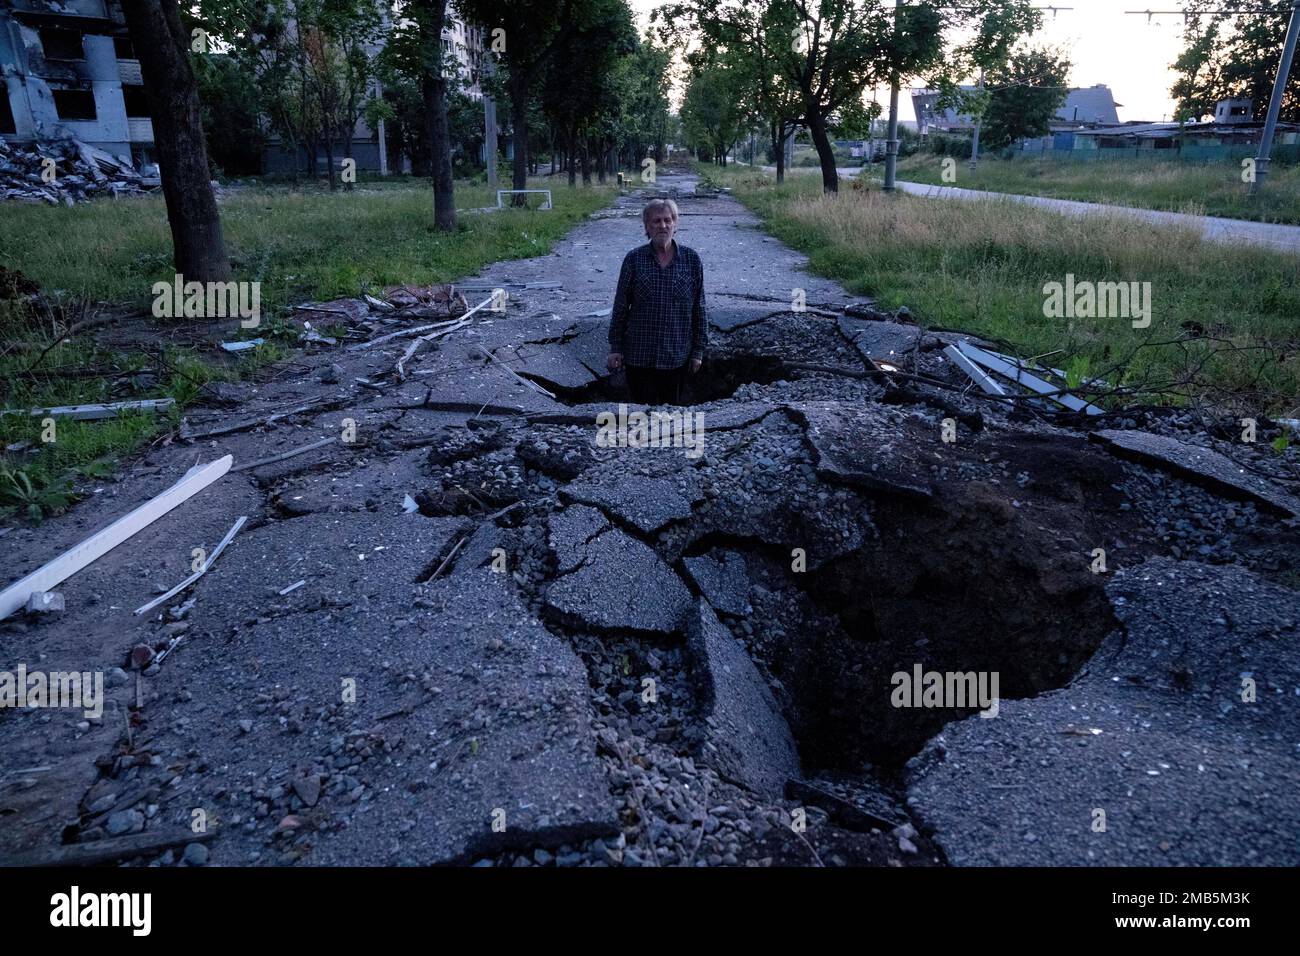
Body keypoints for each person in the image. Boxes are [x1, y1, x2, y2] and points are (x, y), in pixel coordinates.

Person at [606, 198, 708, 405]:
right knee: (640, 415)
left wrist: (698, 351)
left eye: (668, 220)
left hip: (676, 356)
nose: (663, 225)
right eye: (656, 221)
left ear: (675, 223)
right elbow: (621, 306)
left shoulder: (691, 260)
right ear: (646, 226)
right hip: (639, 356)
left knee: (671, 415)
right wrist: (615, 347)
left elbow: (700, 307)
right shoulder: (634, 259)